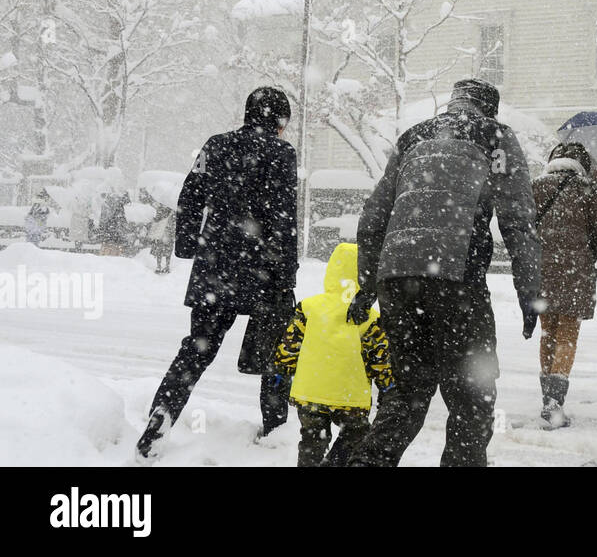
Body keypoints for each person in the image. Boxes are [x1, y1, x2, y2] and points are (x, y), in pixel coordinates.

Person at [348, 78, 541, 467]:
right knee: (472, 395)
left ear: (452, 104)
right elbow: (518, 218)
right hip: (456, 276)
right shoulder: (495, 135)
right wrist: (529, 291)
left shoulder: (411, 138)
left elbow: (373, 218)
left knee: (407, 393)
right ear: (490, 109)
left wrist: (368, 285)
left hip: (396, 277)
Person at [135, 87, 300, 461]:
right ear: (279, 120)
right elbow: (286, 216)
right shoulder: (281, 153)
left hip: (217, 267)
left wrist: (189, 245)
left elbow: (190, 195)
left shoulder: (216, 145)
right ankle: (274, 430)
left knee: (197, 347)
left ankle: (163, 413)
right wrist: (287, 274)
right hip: (264, 270)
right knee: (275, 357)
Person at [272, 242, 395, 467]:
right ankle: (334, 462)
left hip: (310, 393)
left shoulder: (309, 307)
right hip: (350, 395)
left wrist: (282, 368)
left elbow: (290, 345)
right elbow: (380, 357)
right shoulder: (368, 316)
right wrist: (387, 384)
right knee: (356, 435)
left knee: (311, 439)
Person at [532, 141, 597, 429]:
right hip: (575, 273)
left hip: (541, 269)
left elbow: (523, 226)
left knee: (547, 332)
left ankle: (546, 397)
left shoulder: (535, 186)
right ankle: (554, 402)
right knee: (567, 335)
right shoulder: (586, 189)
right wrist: (585, 255)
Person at [140, 187, 175, 275]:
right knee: (168, 250)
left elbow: (156, 217)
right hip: (168, 233)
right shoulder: (173, 210)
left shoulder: (161, 208)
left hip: (161, 232)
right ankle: (167, 266)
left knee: (160, 249)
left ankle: (159, 266)